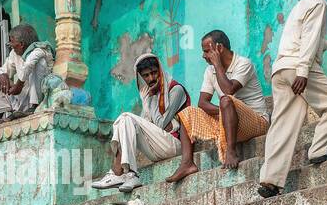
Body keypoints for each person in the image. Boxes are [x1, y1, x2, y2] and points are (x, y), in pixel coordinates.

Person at [258, 0, 327, 198]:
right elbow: (307, 41)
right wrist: (303, 71)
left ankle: (270, 179)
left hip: (280, 69)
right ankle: (320, 148)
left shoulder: (299, 5)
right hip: (298, 66)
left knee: (283, 123)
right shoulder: (318, 4)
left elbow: (302, 38)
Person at [166, 30, 269, 183]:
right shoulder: (209, 70)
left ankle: (231, 151)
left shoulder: (243, 64)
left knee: (226, 100)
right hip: (229, 122)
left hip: (257, 122)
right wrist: (226, 112)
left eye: (207, 51)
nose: (203, 56)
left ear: (219, 48)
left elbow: (229, 90)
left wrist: (218, 65)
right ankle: (187, 163)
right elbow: (202, 103)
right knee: (187, 113)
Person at [91, 51, 190, 193]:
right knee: (125, 120)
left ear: (160, 71)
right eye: (146, 75)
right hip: (157, 146)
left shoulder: (176, 89)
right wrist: (149, 99)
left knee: (126, 116)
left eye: (154, 73)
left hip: (174, 145)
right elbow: (145, 125)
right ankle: (129, 174)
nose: (151, 78)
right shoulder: (148, 94)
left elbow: (160, 123)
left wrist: (149, 99)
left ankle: (117, 172)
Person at [0, 24, 54, 118]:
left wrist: (19, 85)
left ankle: (34, 106)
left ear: (21, 44)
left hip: (38, 98)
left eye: (11, 41)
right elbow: (2, 70)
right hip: (19, 99)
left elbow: (28, 65)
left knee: (38, 63)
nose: (10, 45)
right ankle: (8, 111)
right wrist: (2, 75)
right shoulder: (14, 54)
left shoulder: (39, 50)